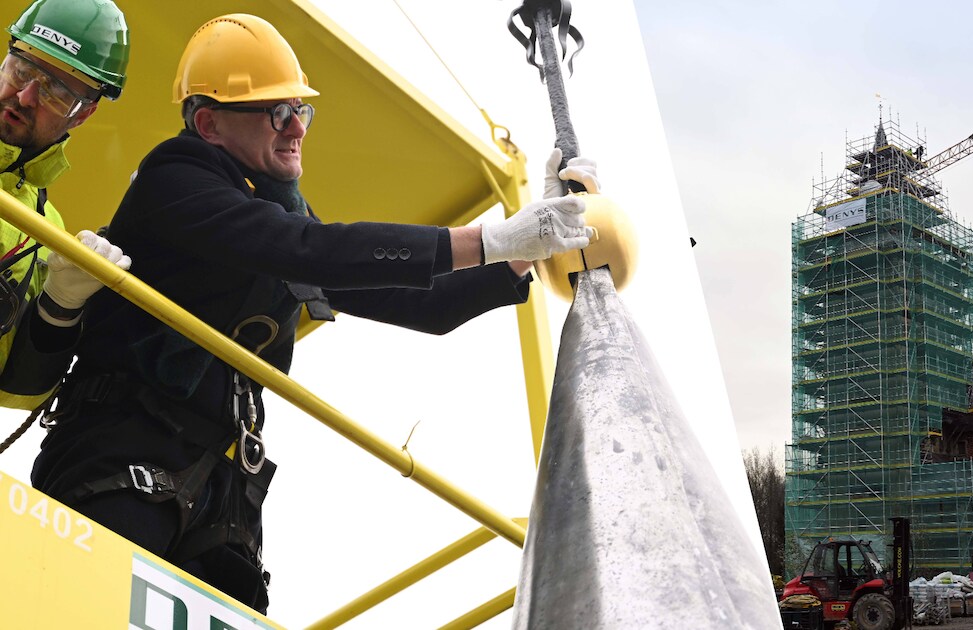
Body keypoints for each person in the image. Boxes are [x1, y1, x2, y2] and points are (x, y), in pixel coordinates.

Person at [30, 13, 598, 613]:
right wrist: (491, 238)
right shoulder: (174, 180)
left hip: (219, 495)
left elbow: (422, 303)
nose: (297, 126)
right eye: (277, 112)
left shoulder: (274, 208)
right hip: (119, 462)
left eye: (301, 109)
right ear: (209, 124)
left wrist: (523, 248)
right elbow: (307, 249)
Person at [0, 0, 131, 412]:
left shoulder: (44, 234)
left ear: (83, 115)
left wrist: (61, 303)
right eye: (21, 70)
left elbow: (18, 392)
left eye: (56, 92)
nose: (25, 96)